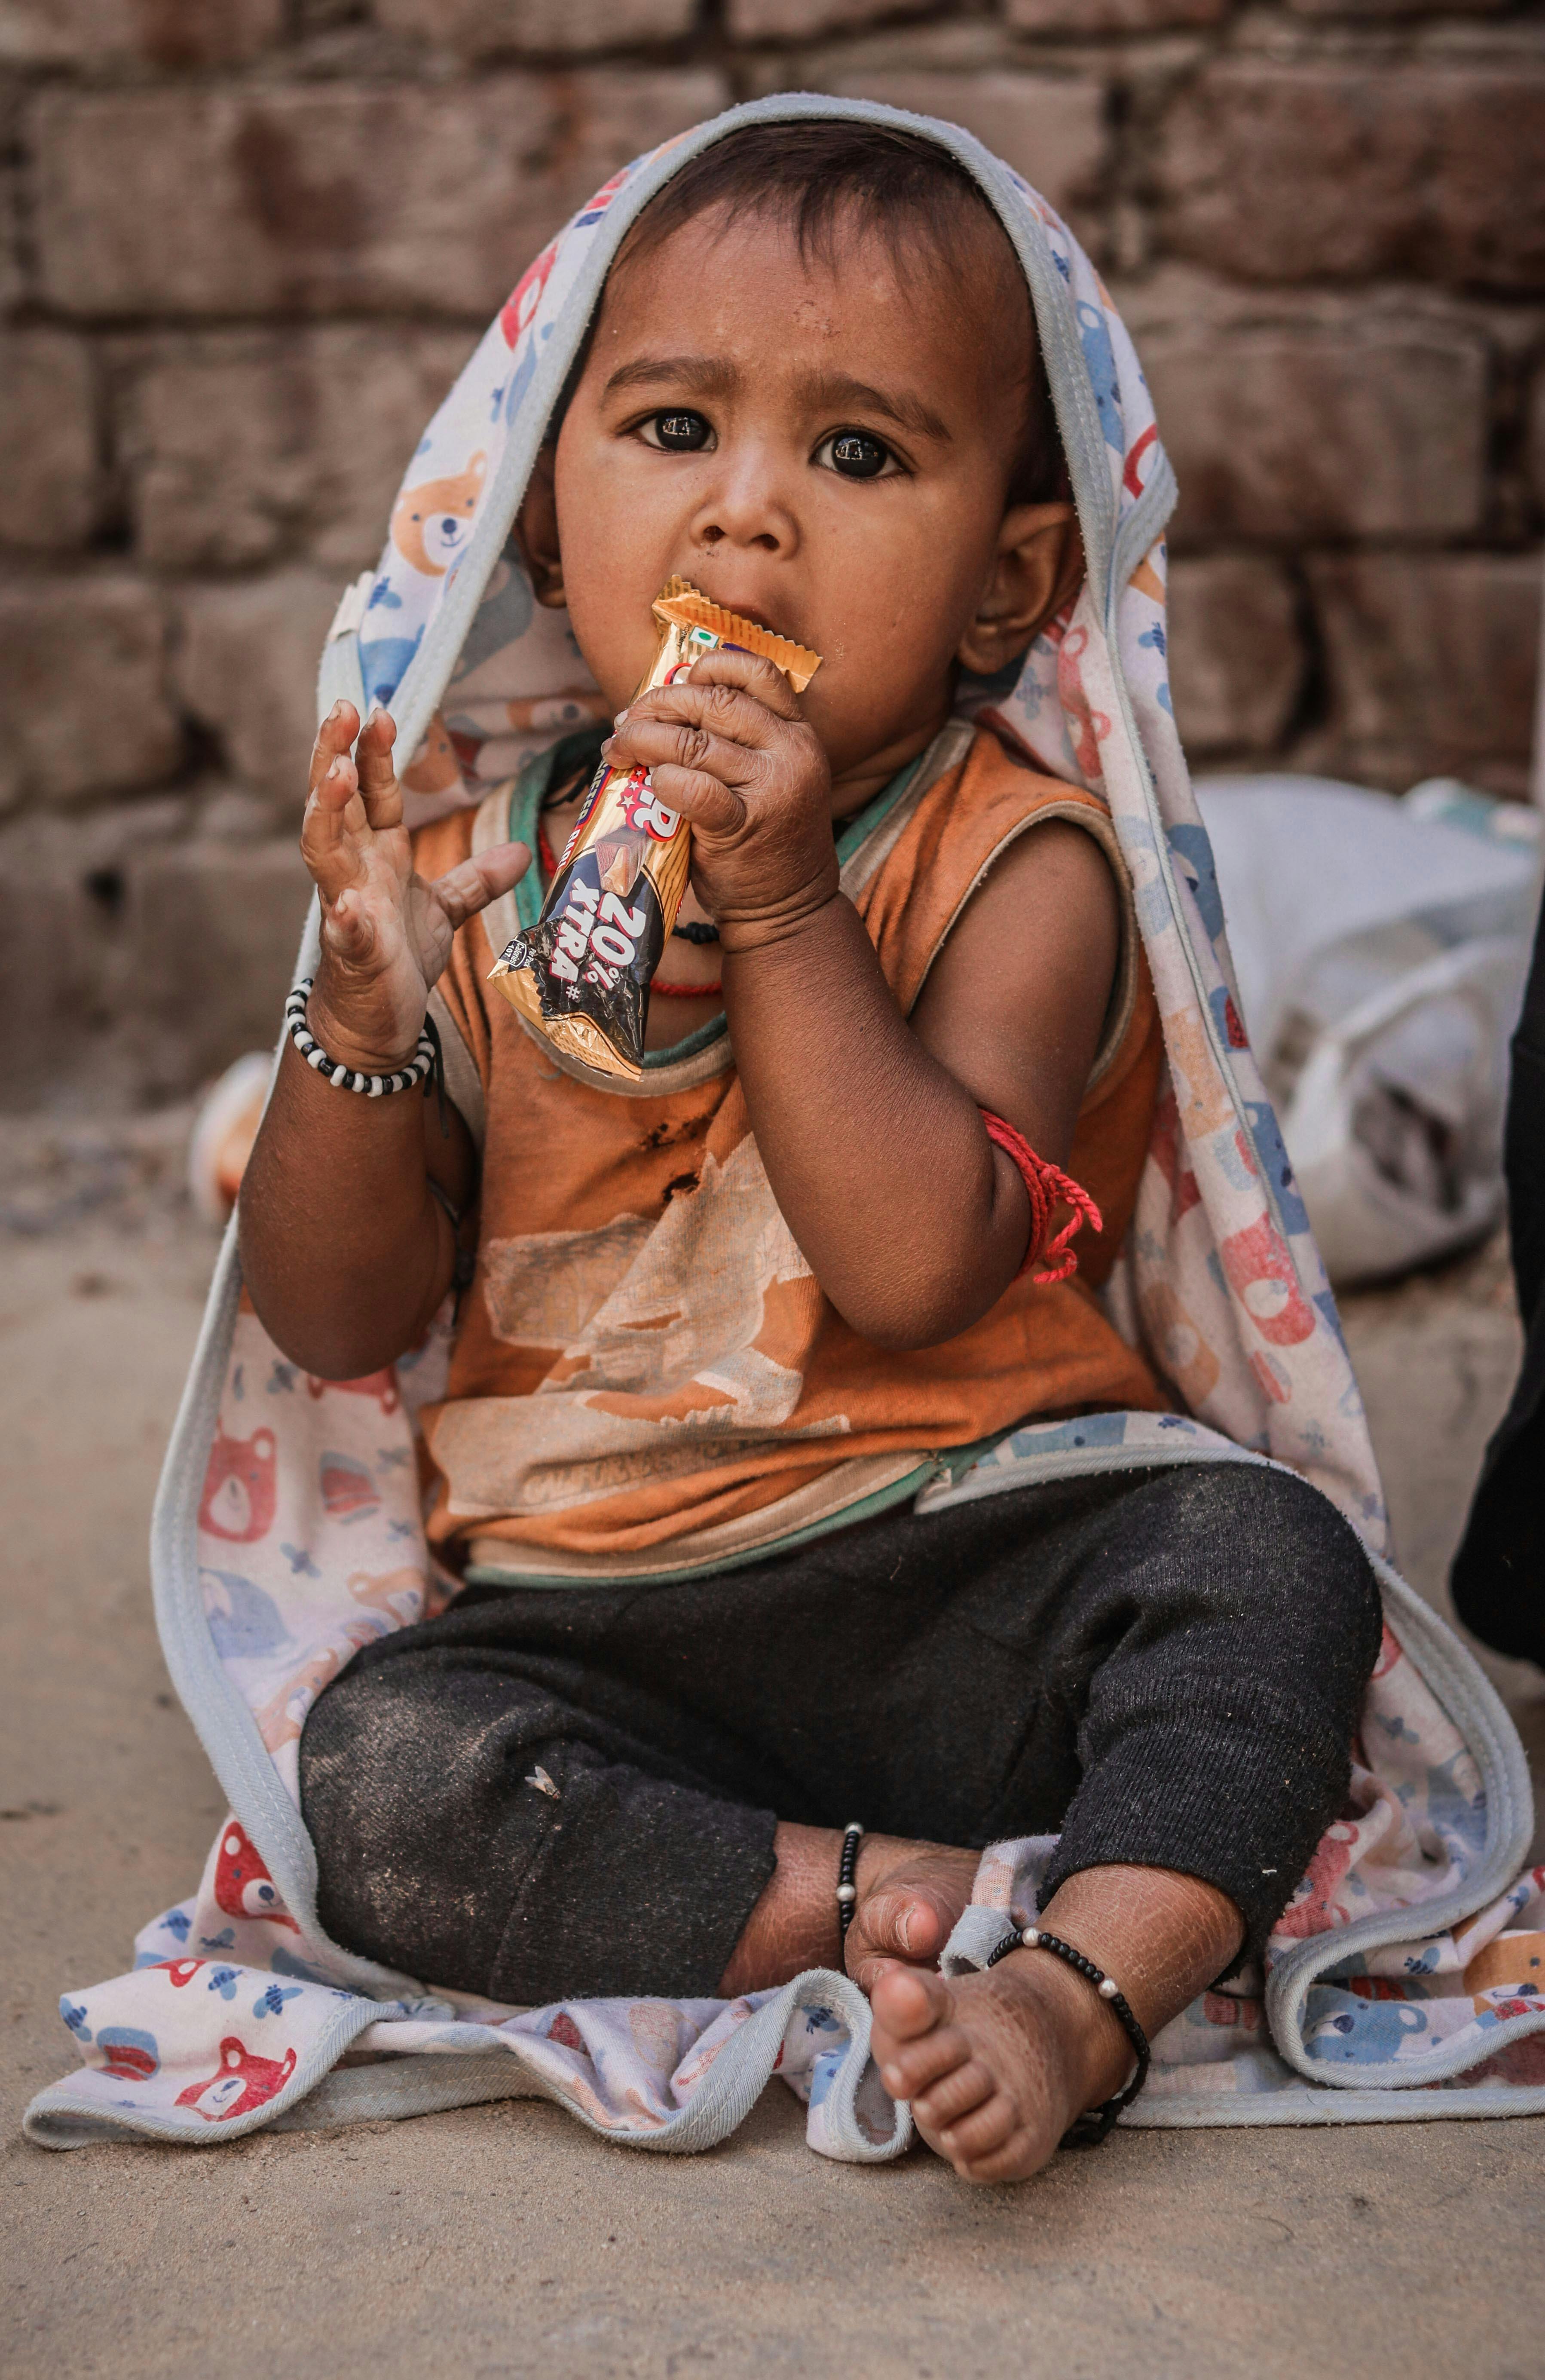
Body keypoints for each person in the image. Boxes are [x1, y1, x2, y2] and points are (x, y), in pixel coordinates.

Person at [236, 124, 1381, 2183]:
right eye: (671, 425)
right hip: (607, 1620)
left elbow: (919, 1261)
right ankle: (876, 1902)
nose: (744, 515)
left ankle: (1079, 1986)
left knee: (1264, 1575)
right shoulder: (482, 884)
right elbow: (334, 1313)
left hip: (974, 1562)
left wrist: (779, 901)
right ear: (539, 507)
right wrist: (364, 1025)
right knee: (380, 1776)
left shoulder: (1013, 861)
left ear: (1007, 580)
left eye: (857, 457)